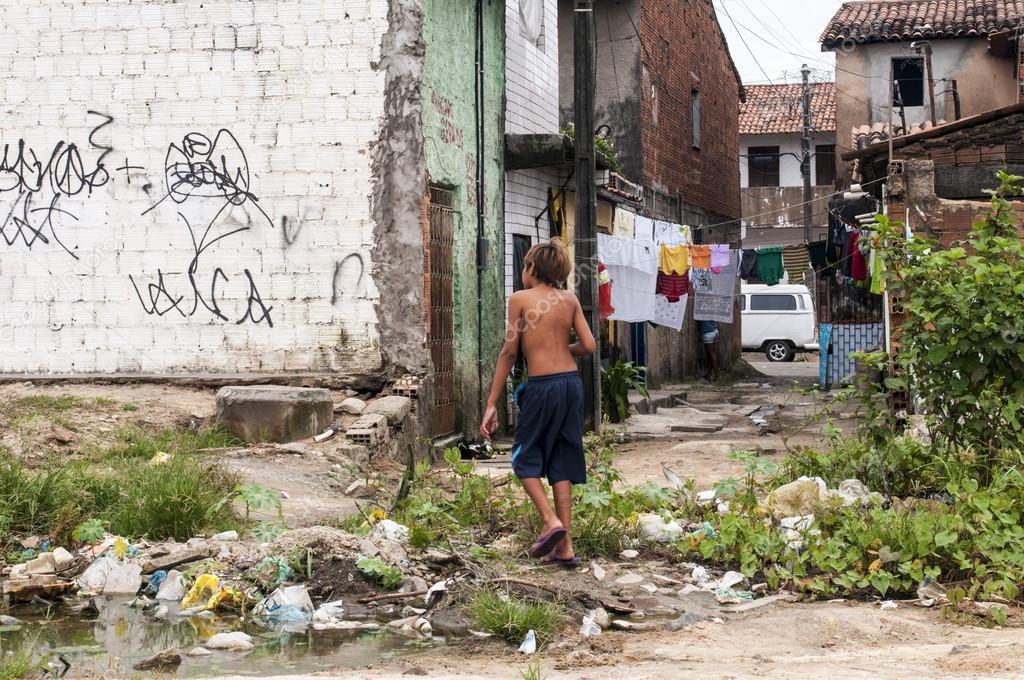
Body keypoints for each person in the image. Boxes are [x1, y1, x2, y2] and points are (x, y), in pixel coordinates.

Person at [480, 238, 596, 567]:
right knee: (561, 459)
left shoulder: (520, 299)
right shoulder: (569, 300)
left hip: (542, 386)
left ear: (531, 268)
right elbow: (588, 346)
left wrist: (492, 402)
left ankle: (551, 522)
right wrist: (563, 352)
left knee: (523, 459)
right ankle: (565, 547)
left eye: (525, 265)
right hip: (571, 385)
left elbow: (509, 351)